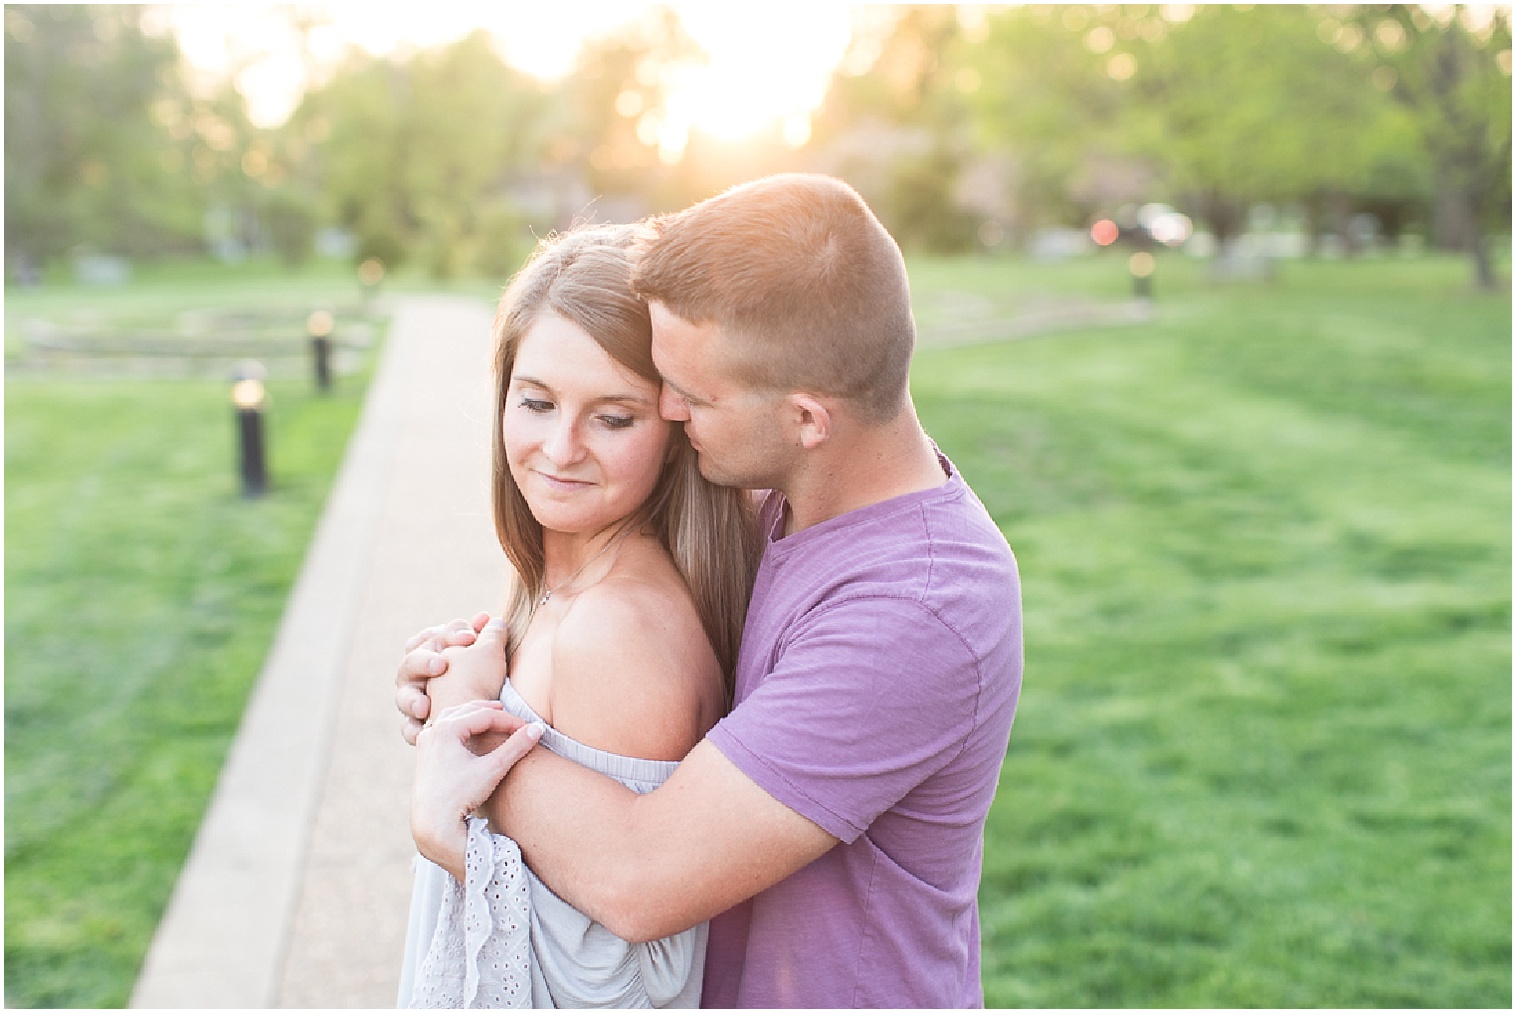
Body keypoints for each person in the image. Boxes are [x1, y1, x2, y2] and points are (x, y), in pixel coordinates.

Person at [400, 174, 1023, 1008]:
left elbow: (638, 876)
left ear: (806, 417)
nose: (670, 411)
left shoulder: (919, 608)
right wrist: (476, 665)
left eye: (690, 396)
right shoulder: (787, 493)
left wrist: (465, 729)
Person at [397, 222, 760, 1008]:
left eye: (613, 416)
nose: (560, 448)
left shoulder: (615, 633)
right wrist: (453, 710)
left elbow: (616, 982)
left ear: (673, 429)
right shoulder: (557, 581)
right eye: (536, 401)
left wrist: (448, 806)